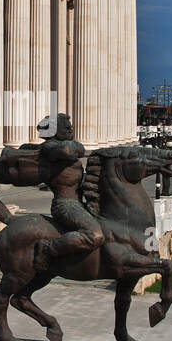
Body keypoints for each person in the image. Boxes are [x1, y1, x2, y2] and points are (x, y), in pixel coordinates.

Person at [33, 113, 104, 270]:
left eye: (71, 128)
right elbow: (68, 150)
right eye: (66, 128)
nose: (71, 131)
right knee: (94, 235)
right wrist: (75, 146)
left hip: (78, 202)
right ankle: (48, 248)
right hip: (65, 204)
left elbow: (79, 149)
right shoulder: (49, 147)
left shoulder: (62, 145)